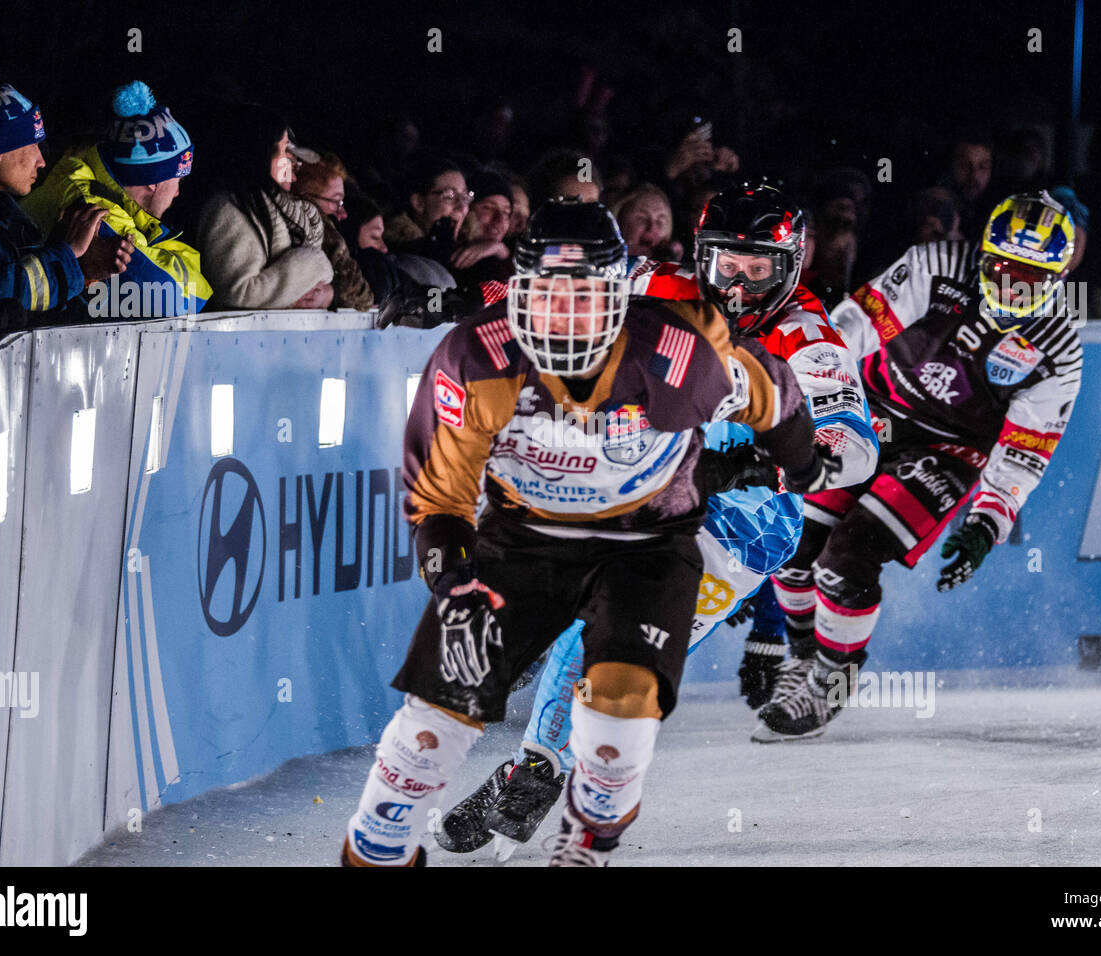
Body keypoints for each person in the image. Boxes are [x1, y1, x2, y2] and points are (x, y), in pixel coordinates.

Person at [341, 199, 823, 867]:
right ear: (518, 294)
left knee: (618, 711)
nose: (566, 319)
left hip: (652, 541)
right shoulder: (474, 357)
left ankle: (582, 824)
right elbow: (437, 496)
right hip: (526, 538)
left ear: (619, 299)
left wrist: (792, 465)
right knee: (435, 713)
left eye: (587, 298)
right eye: (548, 297)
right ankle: (379, 845)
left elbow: (781, 399)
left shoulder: (686, 344)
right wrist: (450, 577)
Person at [753, 191, 1082, 742]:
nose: (1010, 288)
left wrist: (987, 521)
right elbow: (850, 328)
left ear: (1057, 278)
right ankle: (804, 657)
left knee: (847, 558)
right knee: (793, 542)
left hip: (949, 449)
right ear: (981, 253)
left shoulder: (1058, 349)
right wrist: (806, 389)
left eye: (1030, 277)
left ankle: (832, 680)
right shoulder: (934, 265)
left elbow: (1027, 446)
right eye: (1002, 268)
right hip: (873, 410)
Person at [0, 60, 121, 317]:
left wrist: (83, 268)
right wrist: (67, 252)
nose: (41, 161)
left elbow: (25, 294)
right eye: (32, 145)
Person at [20, 81, 210, 319]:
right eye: (177, 181)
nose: (177, 193)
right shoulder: (97, 212)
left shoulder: (88, 183)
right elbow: (175, 301)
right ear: (154, 181)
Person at [196, 107, 334, 310]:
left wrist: (326, 294)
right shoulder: (229, 209)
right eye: (285, 151)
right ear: (260, 153)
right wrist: (315, 264)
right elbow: (238, 292)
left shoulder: (271, 206)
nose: (292, 164)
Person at [294, 153, 373, 310]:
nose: (343, 213)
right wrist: (334, 294)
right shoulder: (317, 225)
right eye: (336, 201)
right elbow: (359, 293)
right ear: (308, 196)